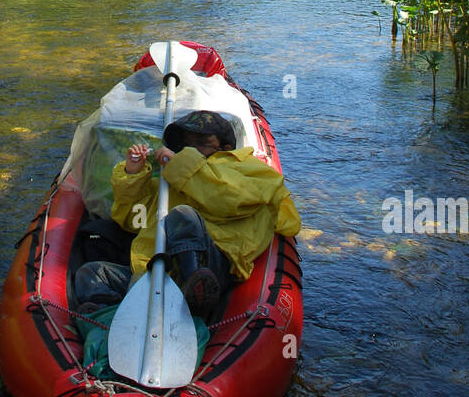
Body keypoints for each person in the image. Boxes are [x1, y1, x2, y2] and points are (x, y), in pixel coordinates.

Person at [74, 110, 301, 322]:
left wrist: (182, 164)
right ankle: (111, 316)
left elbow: (231, 201)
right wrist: (133, 175)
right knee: (90, 273)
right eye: (186, 145)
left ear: (227, 146)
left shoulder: (250, 169)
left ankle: (195, 288)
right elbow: (133, 220)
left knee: (182, 215)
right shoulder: (171, 178)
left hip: (213, 261)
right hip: (158, 269)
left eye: (202, 144)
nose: (192, 150)